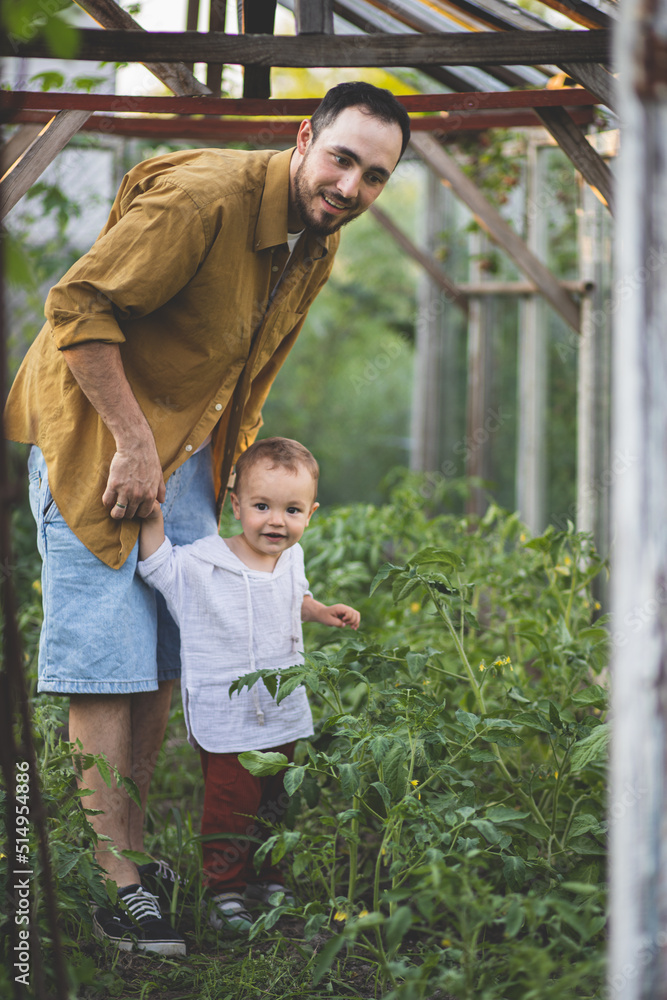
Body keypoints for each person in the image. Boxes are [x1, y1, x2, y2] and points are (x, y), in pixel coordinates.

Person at [4, 81, 409, 954]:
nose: (350, 186)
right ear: (305, 137)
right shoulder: (205, 199)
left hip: (186, 449)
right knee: (108, 653)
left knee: (163, 649)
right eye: (342, 158)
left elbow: (243, 372)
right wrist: (132, 442)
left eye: (374, 176)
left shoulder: (314, 242)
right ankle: (115, 885)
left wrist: (227, 477)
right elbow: (77, 306)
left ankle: (136, 858)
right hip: (97, 435)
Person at [136, 437, 360, 937]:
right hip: (229, 712)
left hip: (280, 707)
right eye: (262, 506)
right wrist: (152, 516)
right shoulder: (204, 563)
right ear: (235, 504)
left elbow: (294, 596)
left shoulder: (292, 558)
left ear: (311, 513)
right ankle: (224, 892)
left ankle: (268, 876)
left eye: (292, 509)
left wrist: (320, 612)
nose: (276, 521)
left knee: (275, 797)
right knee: (230, 803)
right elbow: (160, 569)